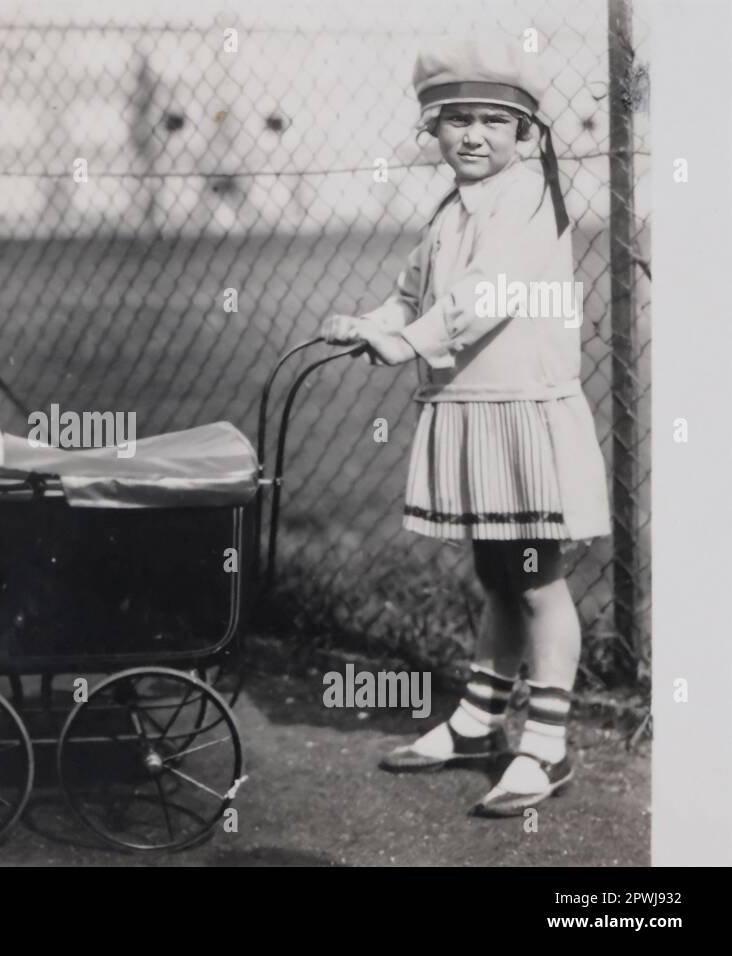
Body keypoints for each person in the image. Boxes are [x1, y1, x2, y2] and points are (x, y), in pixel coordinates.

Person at [319, 34, 611, 816]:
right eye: (455, 121)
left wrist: (407, 340)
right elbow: (415, 297)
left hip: (519, 412)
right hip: (471, 410)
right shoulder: (452, 207)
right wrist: (371, 322)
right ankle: (482, 721)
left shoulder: (527, 200)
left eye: (491, 121)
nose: (473, 136)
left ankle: (545, 746)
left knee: (537, 579)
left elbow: (484, 297)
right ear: (433, 131)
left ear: (524, 133)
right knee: (497, 575)